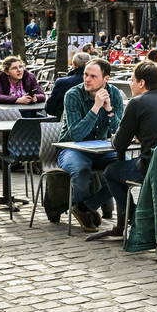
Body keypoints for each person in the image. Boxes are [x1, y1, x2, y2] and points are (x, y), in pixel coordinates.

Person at [105, 61, 157, 236]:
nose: (130, 83)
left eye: (132, 80)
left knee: (111, 171)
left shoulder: (137, 102)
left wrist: (113, 138)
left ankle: (134, 216)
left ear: (141, 83)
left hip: (151, 168)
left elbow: (120, 144)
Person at [57, 59, 126, 232]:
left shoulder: (115, 93)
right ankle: (86, 210)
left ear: (106, 79)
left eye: (93, 76)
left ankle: (86, 208)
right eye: (85, 75)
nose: (87, 79)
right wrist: (95, 108)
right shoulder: (73, 95)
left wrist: (109, 111)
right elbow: (76, 135)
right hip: (71, 148)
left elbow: (120, 132)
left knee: (124, 169)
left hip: (101, 149)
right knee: (81, 170)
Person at [46, 52, 90, 122]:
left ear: (74, 65)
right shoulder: (97, 83)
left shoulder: (62, 83)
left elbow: (49, 108)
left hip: (64, 123)